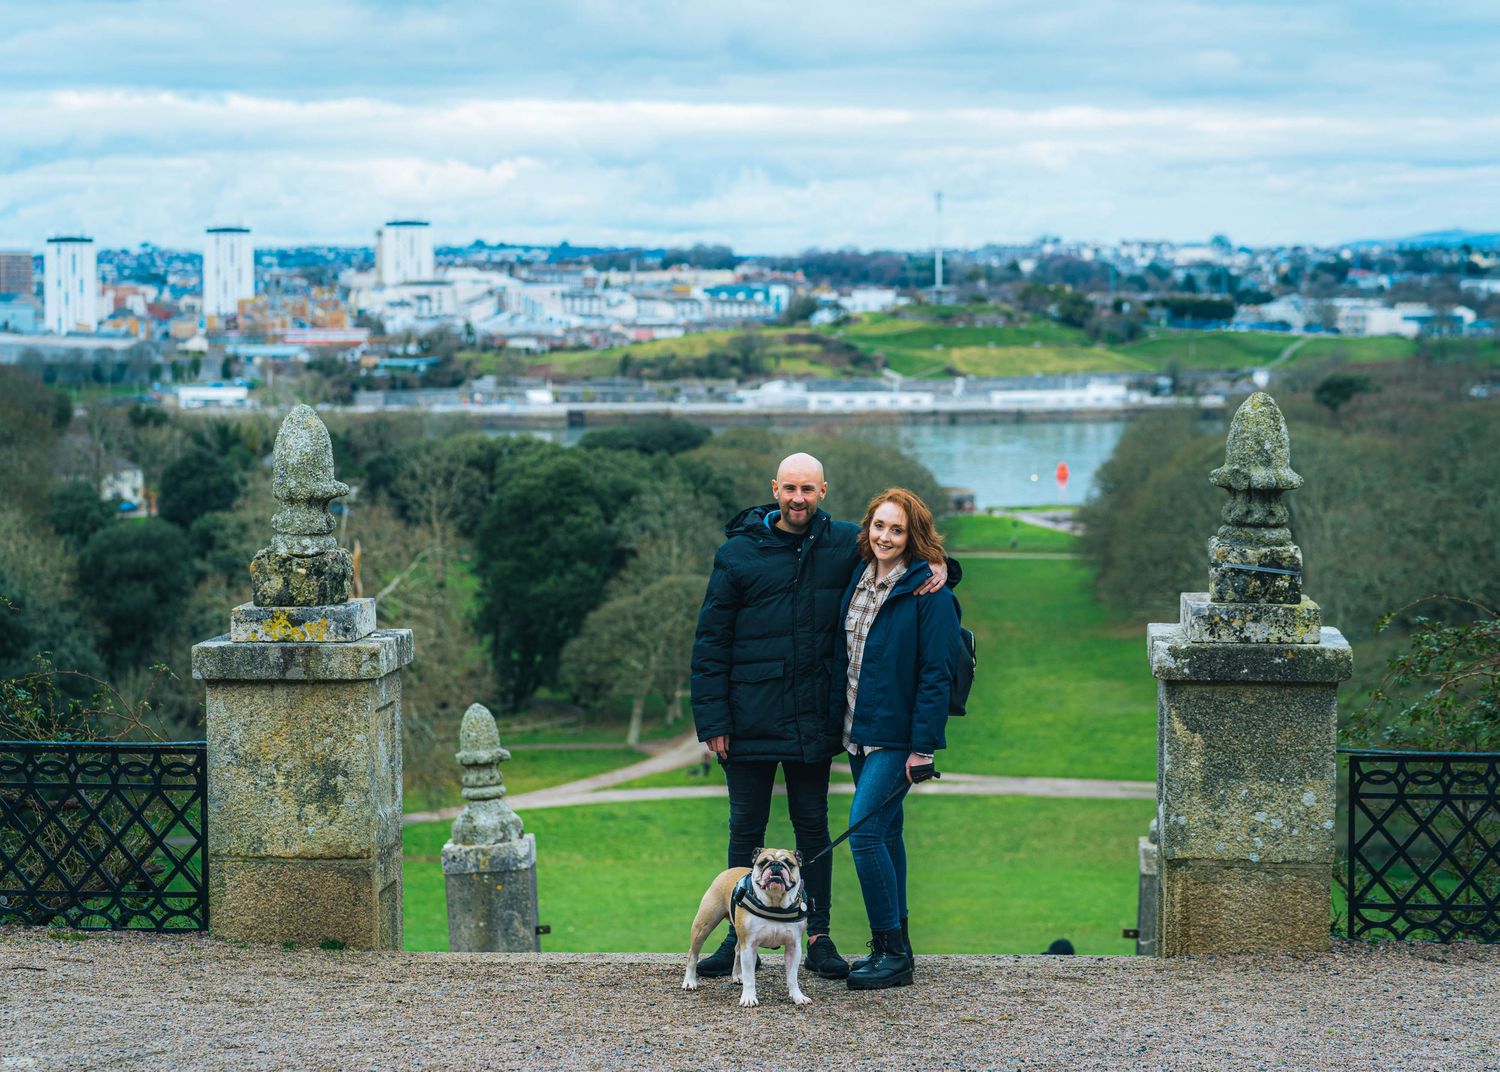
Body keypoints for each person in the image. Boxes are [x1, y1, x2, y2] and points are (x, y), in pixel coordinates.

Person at [690, 454, 953, 981]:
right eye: (790, 488)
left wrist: (947, 569)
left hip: (811, 720)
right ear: (775, 489)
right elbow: (710, 641)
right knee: (746, 831)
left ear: (823, 491)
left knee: (814, 830)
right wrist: (713, 719)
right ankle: (735, 938)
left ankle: (819, 936)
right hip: (746, 718)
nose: (798, 498)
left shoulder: (842, 545)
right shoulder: (737, 553)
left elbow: (903, 555)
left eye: (808, 489)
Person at [831, 487, 961, 991]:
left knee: (863, 835)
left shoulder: (930, 593)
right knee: (886, 834)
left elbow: (937, 674)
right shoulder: (858, 577)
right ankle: (897, 946)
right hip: (856, 730)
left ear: (914, 537)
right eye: (879, 526)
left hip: (896, 736)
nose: (885, 536)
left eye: (897, 529)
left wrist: (923, 749)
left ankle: (891, 951)